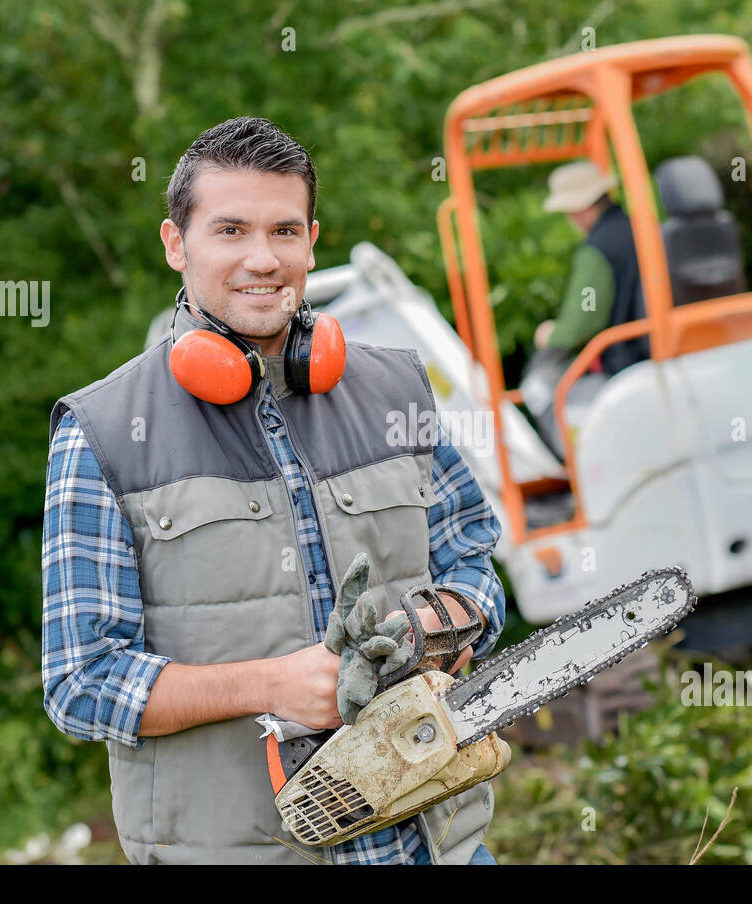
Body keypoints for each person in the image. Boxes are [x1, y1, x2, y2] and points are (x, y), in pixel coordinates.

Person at [41, 117, 505, 865]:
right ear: (175, 244)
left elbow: (476, 567)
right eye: (230, 229)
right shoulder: (101, 433)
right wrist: (273, 685)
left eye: (284, 230)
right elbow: (80, 683)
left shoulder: (396, 388)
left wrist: (425, 628)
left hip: (437, 842)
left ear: (312, 240)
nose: (264, 258)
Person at [533, 159, 650, 375]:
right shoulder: (639, 226)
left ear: (579, 207)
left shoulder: (596, 252)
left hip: (626, 365)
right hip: (650, 350)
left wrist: (549, 334)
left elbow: (583, 321)